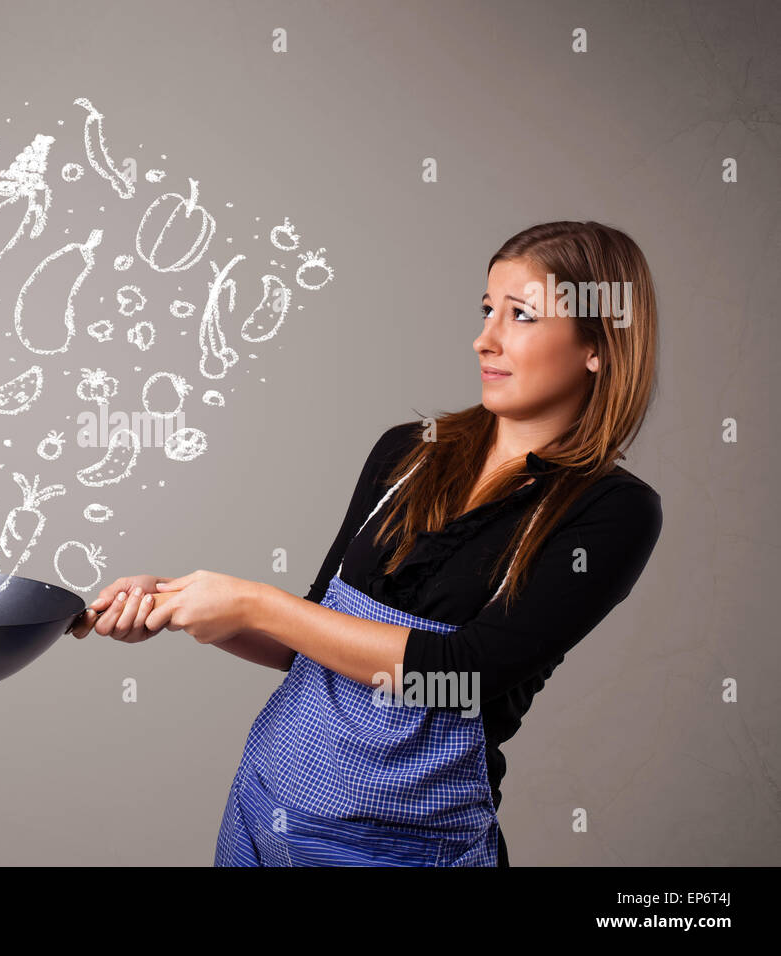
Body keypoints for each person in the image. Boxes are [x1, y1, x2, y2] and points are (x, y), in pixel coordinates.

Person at [69, 220, 664, 867]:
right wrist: (177, 604)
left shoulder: (613, 512)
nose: (483, 339)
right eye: (487, 309)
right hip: (263, 807)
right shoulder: (409, 452)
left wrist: (253, 603)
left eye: (520, 316)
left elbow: (462, 674)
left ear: (598, 345)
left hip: (399, 848)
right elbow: (312, 638)